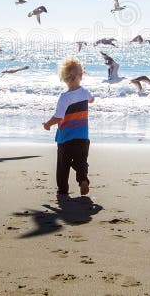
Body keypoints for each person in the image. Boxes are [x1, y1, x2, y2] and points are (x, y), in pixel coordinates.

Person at [43, 57, 95, 197]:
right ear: (81, 76)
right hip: (82, 138)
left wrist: (48, 124)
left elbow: (59, 117)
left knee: (63, 166)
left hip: (65, 139)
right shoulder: (84, 92)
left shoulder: (64, 97)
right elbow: (92, 99)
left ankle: (63, 191)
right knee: (81, 162)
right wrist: (88, 99)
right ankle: (83, 179)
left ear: (64, 78)